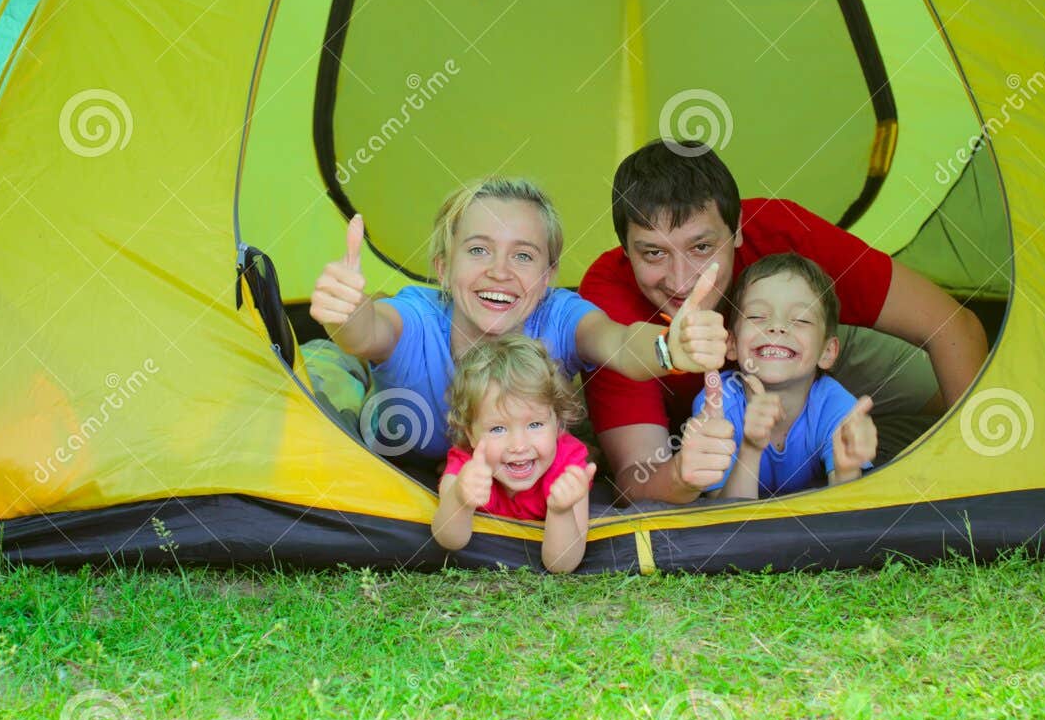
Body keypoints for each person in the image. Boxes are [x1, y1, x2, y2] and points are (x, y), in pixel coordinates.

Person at [579, 140, 988, 504]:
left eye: (702, 247)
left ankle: (838, 437)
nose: (683, 279)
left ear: (737, 231)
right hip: (699, 416)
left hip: (808, 353)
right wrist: (685, 476)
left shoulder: (782, 233)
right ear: (626, 250)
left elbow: (954, 326)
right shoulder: (609, 299)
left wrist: (976, 467)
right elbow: (639, 480)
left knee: (945, 398)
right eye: (653, 253)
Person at [308, 176, 727, 464]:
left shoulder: (559, 316)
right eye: (478, 250)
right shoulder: (418, 317)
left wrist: (670, 347)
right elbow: (366, 332)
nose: (500, 272)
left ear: (548, 278)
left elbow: (615, 340)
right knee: (321, 374)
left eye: (523, 255)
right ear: (442, 268)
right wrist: (347, 313)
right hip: (378, 417)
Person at [689, 254, 876, 499]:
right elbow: (727, 523)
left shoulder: (836, 408)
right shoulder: (717, 405)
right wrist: (751, 447)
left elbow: (845, 519)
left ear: (827, 352)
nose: (777, 327)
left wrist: (846, 471)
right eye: (757, 316)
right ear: (731, 344)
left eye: (801, 319)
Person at [432, 336, 594, 572]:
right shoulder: (468, 468)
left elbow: (561, 565)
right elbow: (448, 540)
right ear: (471, 435)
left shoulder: (567, 470)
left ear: (558, 423)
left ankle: (596, 453)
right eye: (498, 429)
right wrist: (459, 499)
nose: (519, 445)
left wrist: (561, 511)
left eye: (535, 425)